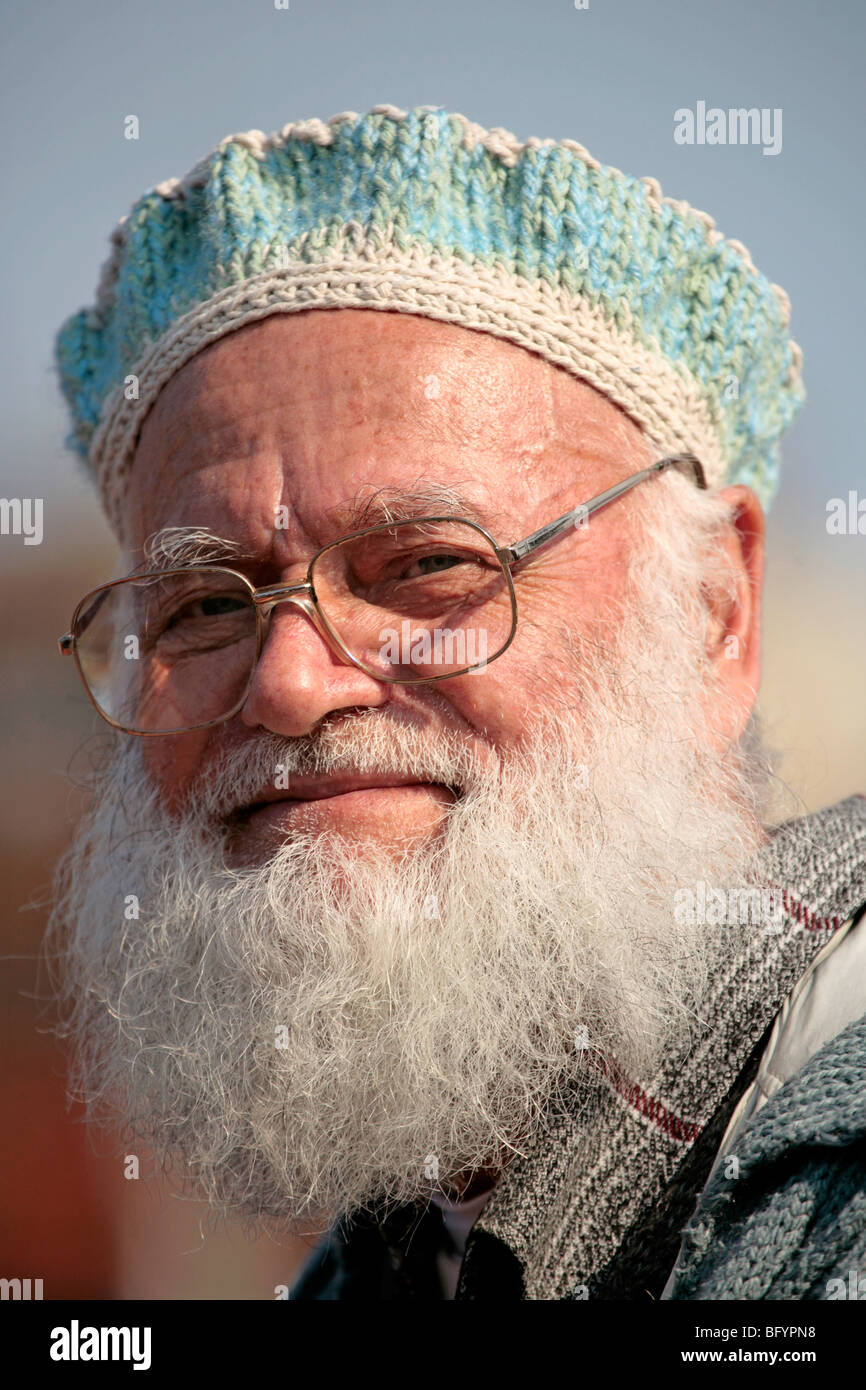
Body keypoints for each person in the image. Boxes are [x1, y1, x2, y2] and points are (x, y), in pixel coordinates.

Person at [50, 103, 866, 1300]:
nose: (284, 681)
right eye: (203, 609)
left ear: (712, 611)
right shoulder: (388, 1259)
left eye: (426, 564)